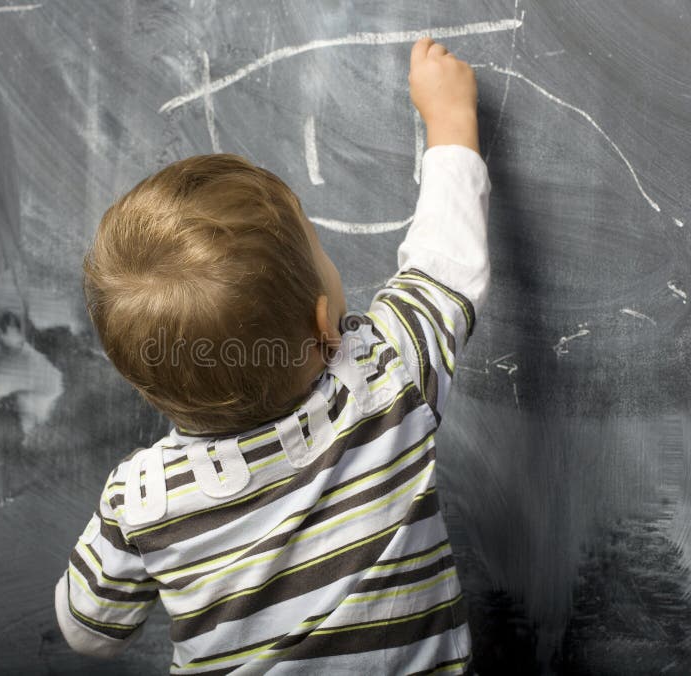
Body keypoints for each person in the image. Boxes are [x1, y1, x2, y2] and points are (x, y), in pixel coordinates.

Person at [55, 36, 491, 674]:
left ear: (143, 383)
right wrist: (451, 123)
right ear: (323, 319)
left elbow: (89, 631)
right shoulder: (385, 377)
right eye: (318, 244)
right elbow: (448, 264)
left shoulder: (142, 498)